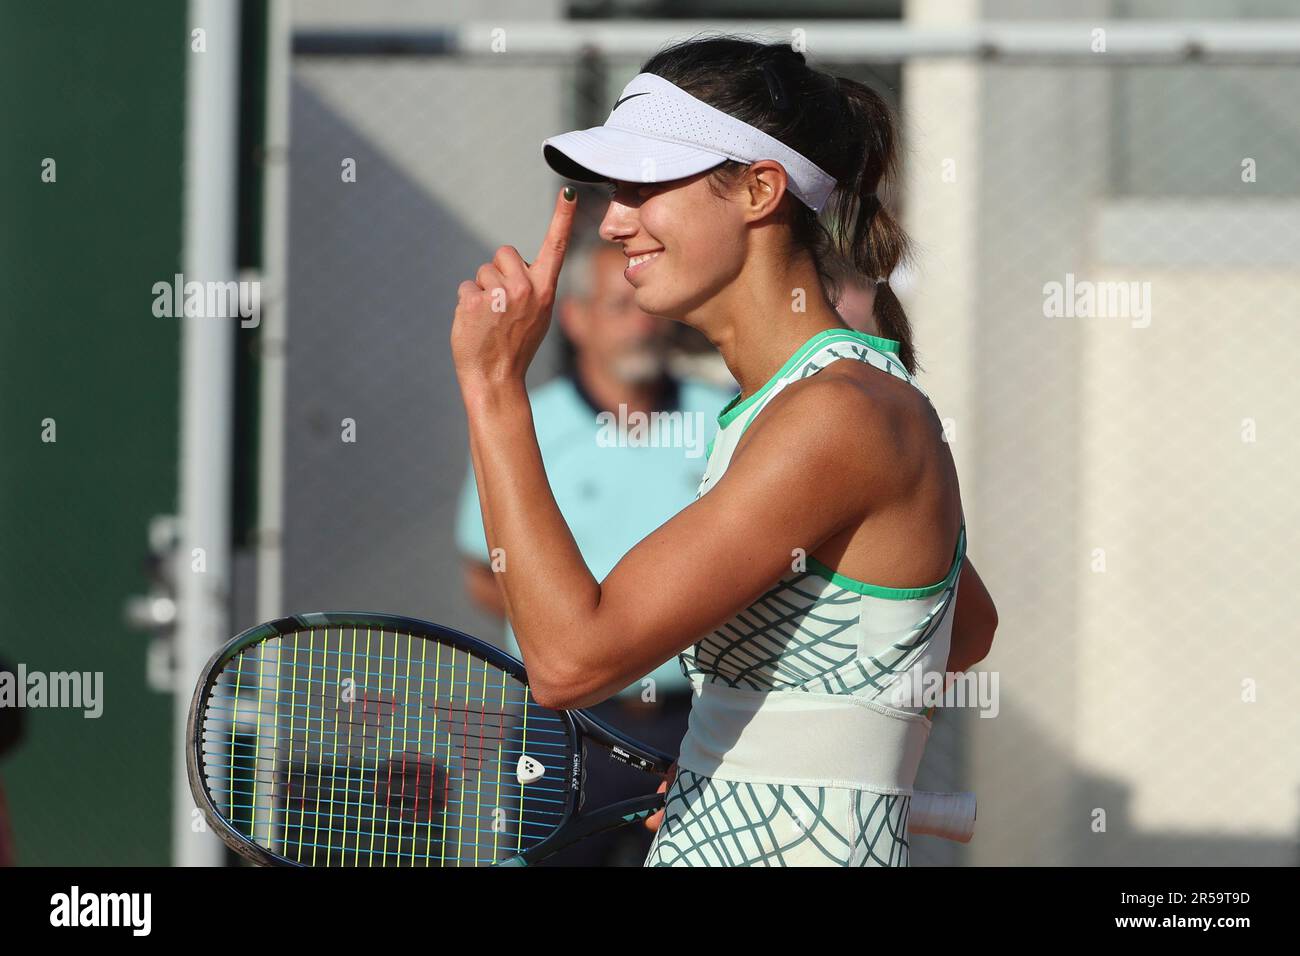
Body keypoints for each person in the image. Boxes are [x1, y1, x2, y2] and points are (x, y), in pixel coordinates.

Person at [450, 36, 999, 866]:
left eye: (644, 185)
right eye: (614, 190)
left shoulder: (835, 417)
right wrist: (750, 757)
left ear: (759, 189)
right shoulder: (808, 403)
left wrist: (495, 387)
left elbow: (566, 664)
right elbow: (965, 628)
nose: (616, 220)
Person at [454, 234, 735, 865]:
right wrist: (577, 636)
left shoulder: (724, 418)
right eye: (618, 306)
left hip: (698, 722)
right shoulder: (526, 424)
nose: (640, 323)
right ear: (575, 317)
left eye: (646, 305)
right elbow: (483, 569)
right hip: (562, 730)